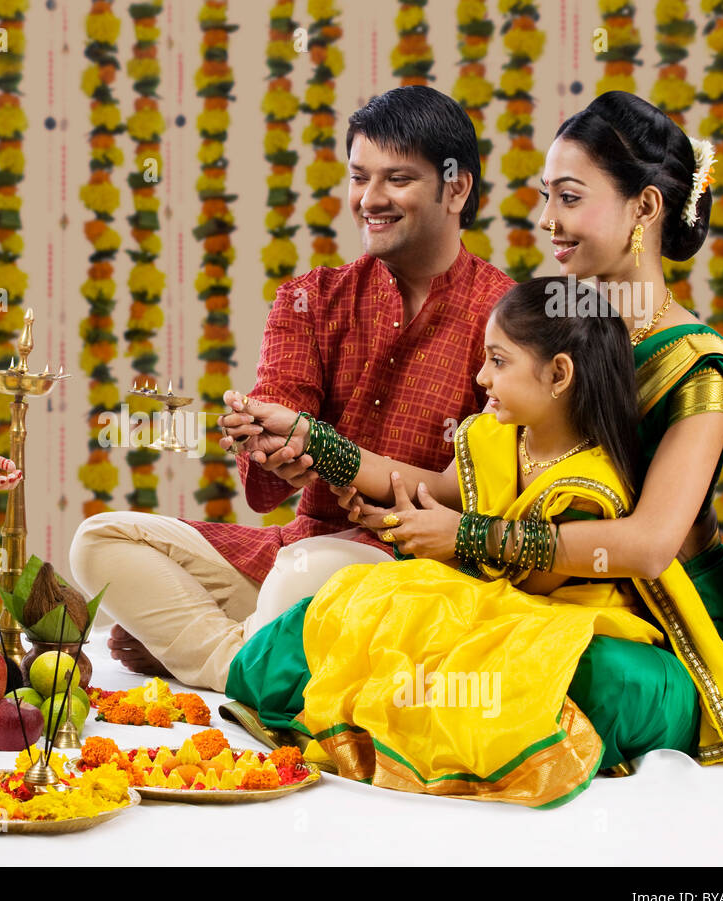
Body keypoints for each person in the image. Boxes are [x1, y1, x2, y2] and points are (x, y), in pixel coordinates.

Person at [336, 91, 723, 762]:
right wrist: (318, 448)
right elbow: (454, 485)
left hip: (655, 628)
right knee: (377, 607)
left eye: (570, 197)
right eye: (545, 195)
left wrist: (466, 536)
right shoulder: (552, 333)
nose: (546, 219)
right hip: (547, 602)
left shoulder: (698, 370)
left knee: (560, 676)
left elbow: (644, 547)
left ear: (645, 207)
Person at [226, 277, 723, 808]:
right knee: (356, 596)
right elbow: (428, 486)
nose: (481, 376)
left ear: (559, 374)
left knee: (582, 673)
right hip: (503, 609)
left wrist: (454, 537)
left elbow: (534, 583)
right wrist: (311, 438)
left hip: (572, 624)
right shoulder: (496, 437)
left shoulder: (593, 477)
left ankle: (469, 743)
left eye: (498, 360)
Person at [68, 86, 514, 691]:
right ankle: (248, 658)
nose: (370, 200)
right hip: (293, 550)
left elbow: (495, 489)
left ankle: (228, 651)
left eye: (397, 179)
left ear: (456, 187)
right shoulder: (311, 299)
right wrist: (272, 444)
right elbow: (270, 473)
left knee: (307, 573)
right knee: (101, 541)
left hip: (414, 574)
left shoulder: (507, 318)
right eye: (359, 177)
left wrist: (347, 467)